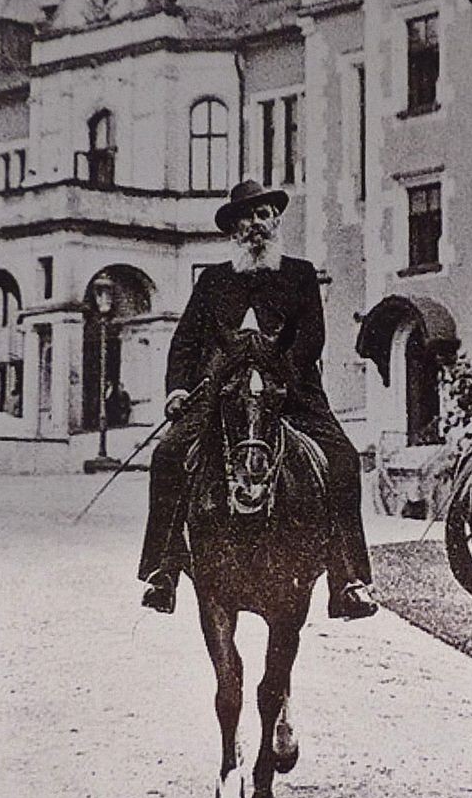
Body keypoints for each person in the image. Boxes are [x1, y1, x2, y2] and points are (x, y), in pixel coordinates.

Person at [138, 179, 380, 620]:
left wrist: (275, 375)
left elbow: (311, 339)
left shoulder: (300, 275)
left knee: (343, 459)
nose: (255, 225)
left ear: (277, 221)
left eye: (263, 215)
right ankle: (164, 568)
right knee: (168, 455)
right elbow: (186, 341)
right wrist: (177, 389)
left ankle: (348, 579)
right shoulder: (212, 281)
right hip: (220, 394)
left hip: (291, 392)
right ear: (233, 230)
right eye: (245, 218)